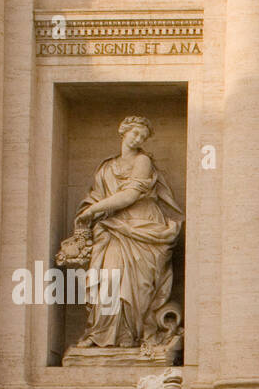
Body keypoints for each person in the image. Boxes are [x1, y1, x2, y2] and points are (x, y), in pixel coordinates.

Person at [72, 115, 182, 349]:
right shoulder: (106, 167)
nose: (138, 138)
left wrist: (92, 211)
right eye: (135, 133)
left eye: (143, 136)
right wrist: (92, 211)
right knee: (108, 278)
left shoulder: (143, 161)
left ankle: (129, 336)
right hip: (113, 229)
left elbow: (130, 195)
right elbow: (97, 195)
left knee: (137, 285)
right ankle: (102, 333)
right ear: (123, 131)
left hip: (142, 225)